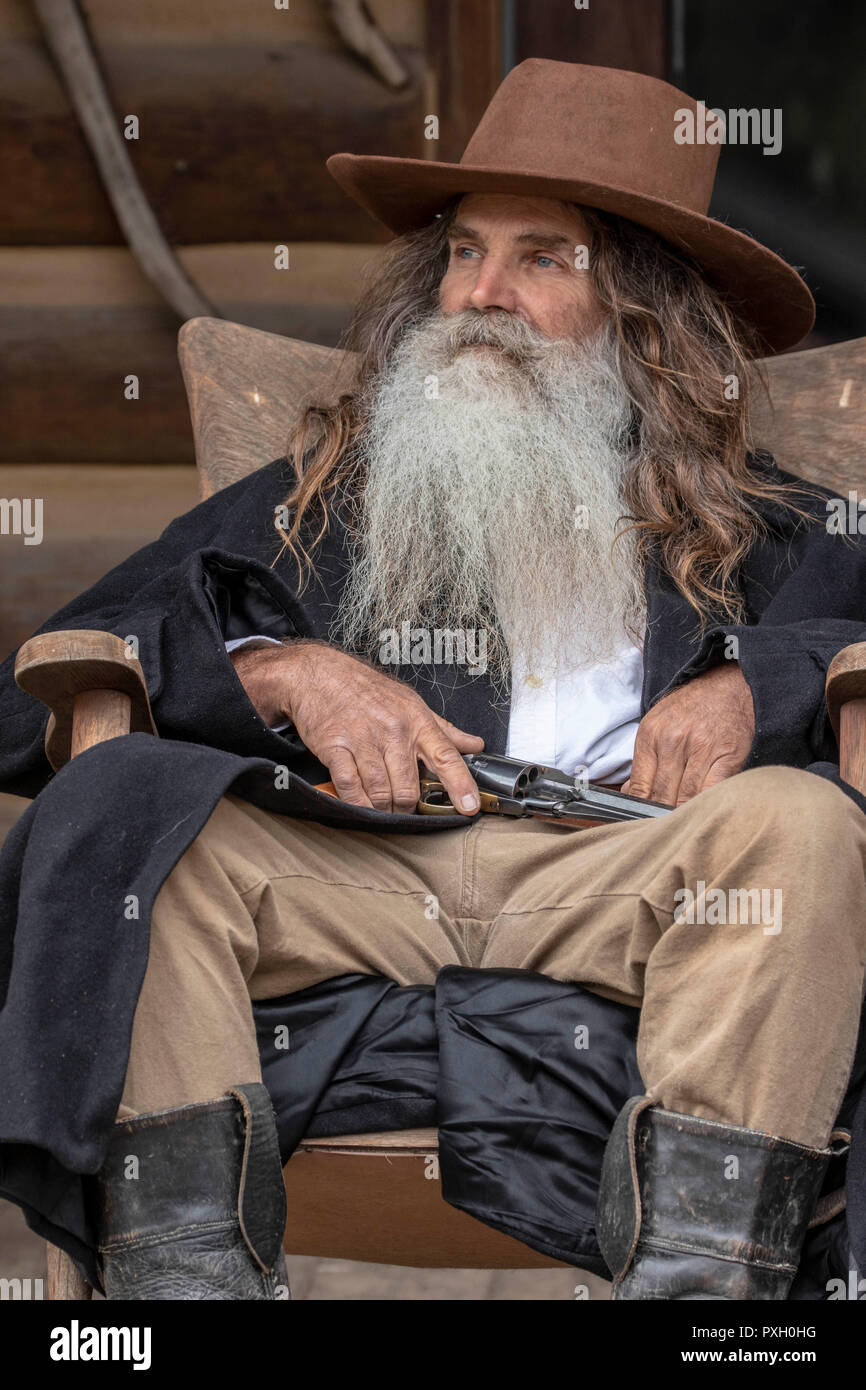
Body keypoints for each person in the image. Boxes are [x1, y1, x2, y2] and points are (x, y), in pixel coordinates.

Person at [3, 59, 866, 1302]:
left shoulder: (780, 526)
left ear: (645, 310)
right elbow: (33, 686)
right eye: (463, 254)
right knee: (127, 805)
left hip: (629, 886)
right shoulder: (324, 494)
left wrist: (759, 677)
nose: (480, 297)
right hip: (356, 875)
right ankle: (178, 1291)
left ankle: (701, 1302)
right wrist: (280, 666)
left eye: (540, 259)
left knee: (800, 826)